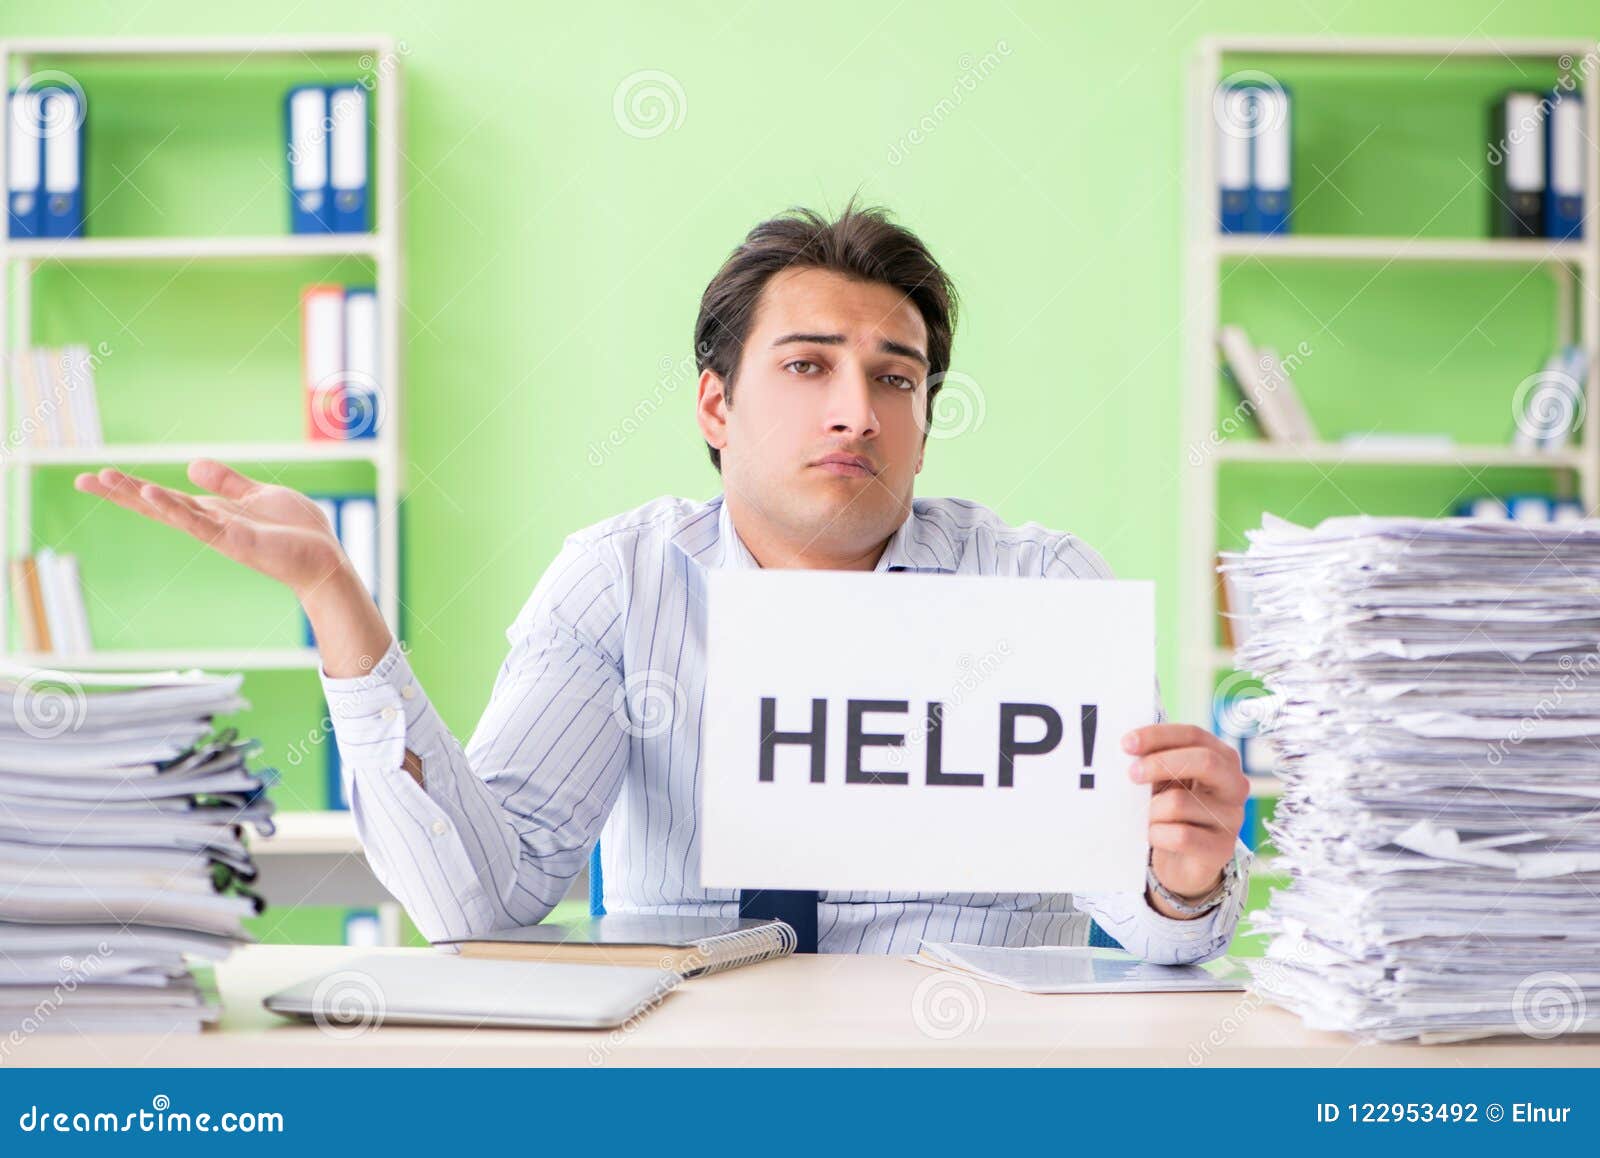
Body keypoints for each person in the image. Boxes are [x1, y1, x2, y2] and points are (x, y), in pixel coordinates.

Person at [77, 200, 1251, 960]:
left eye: (895, 379)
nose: (856, 410)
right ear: (715, 406)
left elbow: (1158, 928)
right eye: (808, 366)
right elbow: (477, 904)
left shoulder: (1039, 589)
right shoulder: (620, 581)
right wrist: (339, 600)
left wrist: (1185, 881)